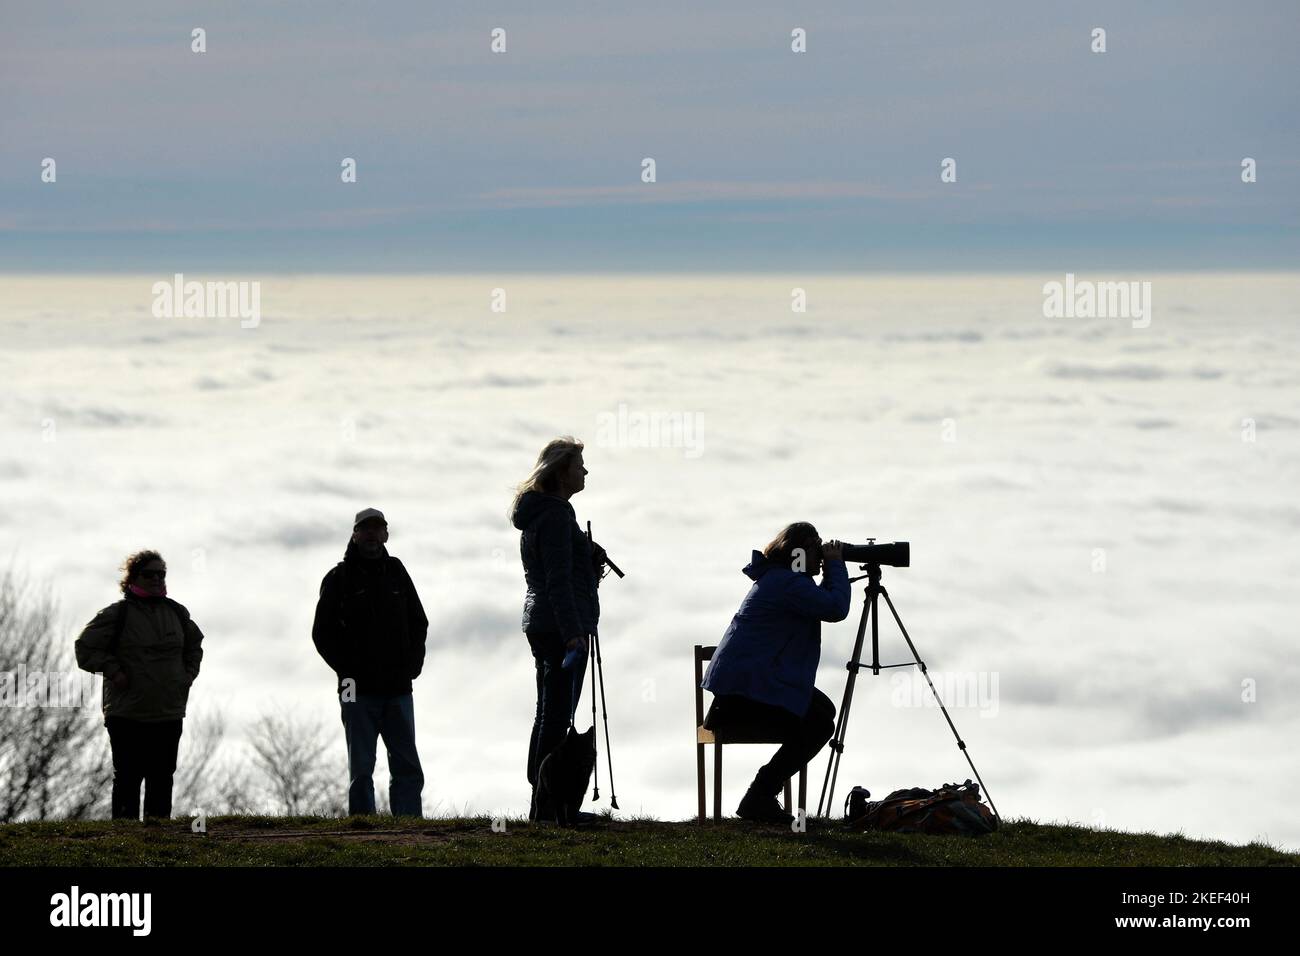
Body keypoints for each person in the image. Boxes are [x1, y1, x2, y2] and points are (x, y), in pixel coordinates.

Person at [702, 522, 850, 824]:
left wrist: (828, 573)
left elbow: (817, 603)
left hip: (743, 689)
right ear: (796, 550)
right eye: (814, 546)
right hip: (743, 698)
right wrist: (835, 567)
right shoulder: (789, 584)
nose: (820, 553)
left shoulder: (781, 579)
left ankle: (762, 793)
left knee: (822, 711)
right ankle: (760, 794)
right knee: (820, 723)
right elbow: (836, 608)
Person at [312, 508, 428, 817]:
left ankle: (409, 827)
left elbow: (419, 621)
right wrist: (348, 670)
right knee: (361, 766)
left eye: (378, 529)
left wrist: (412, 665)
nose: (372, 534)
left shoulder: (396, 571)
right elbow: (322, 634)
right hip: (353, 688)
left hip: (398, 686)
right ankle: (363, 827)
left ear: (386, 535)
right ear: (354, 534)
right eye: (365, 529)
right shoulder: (338, 578)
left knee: (406, 763)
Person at [509, 437, 602, 821]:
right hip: (561, 627)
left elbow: (553, 577)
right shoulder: (557, 516)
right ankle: (549, 807)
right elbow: (559, 581)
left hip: (541, 622)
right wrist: (573, 633)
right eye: (579, 465)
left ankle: (542, 804)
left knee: (547, 714)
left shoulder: (539, 515)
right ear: (561, 472)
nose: (584, 471)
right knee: (557, 715)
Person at [75, 550, 204, 821]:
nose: (157, 579)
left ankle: (159, 837)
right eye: (150, 574)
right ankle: (125, 836)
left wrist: (186, 677)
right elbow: (84, 648)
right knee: (128, 777)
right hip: (126, 712)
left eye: (162, 574)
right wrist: (114, 671)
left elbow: (194, 646)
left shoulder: (177, 613)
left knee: (162, 776)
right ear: (133, 577)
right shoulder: (117, 614)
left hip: (167, 711)